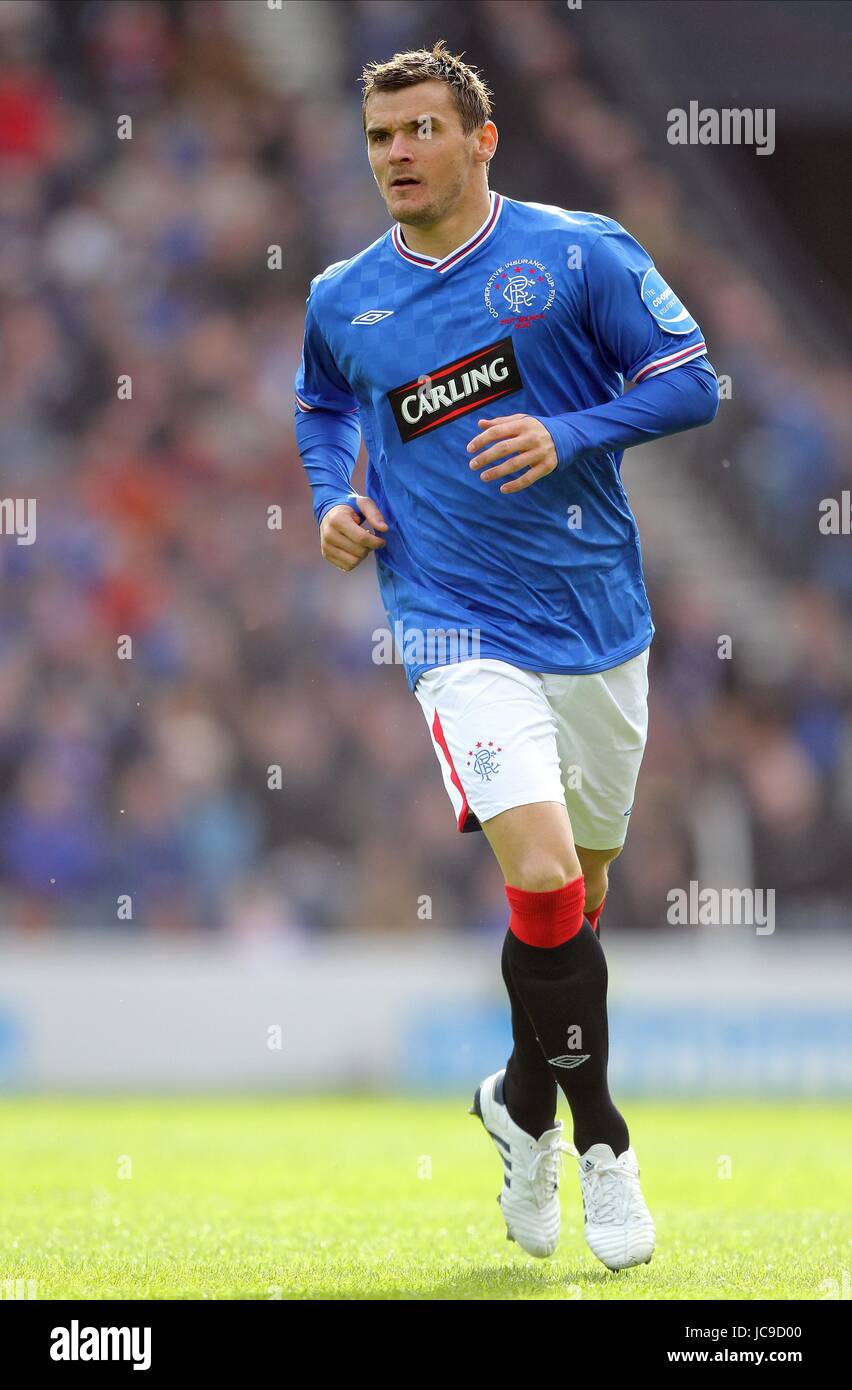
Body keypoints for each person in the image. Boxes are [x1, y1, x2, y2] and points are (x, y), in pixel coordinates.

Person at [294, 39, 720, 1269]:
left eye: (421, 131)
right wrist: (335, 496)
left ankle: (518, 1101)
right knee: (538, 879)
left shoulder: (579, 253)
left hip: (598, 624)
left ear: (482, 140)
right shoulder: (343, 295)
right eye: (380, 138)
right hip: (452, 624)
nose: (398, 156)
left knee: (573, 912)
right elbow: (322, 403)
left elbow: (692, 382)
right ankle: (602, 1143)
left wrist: (569, 430)